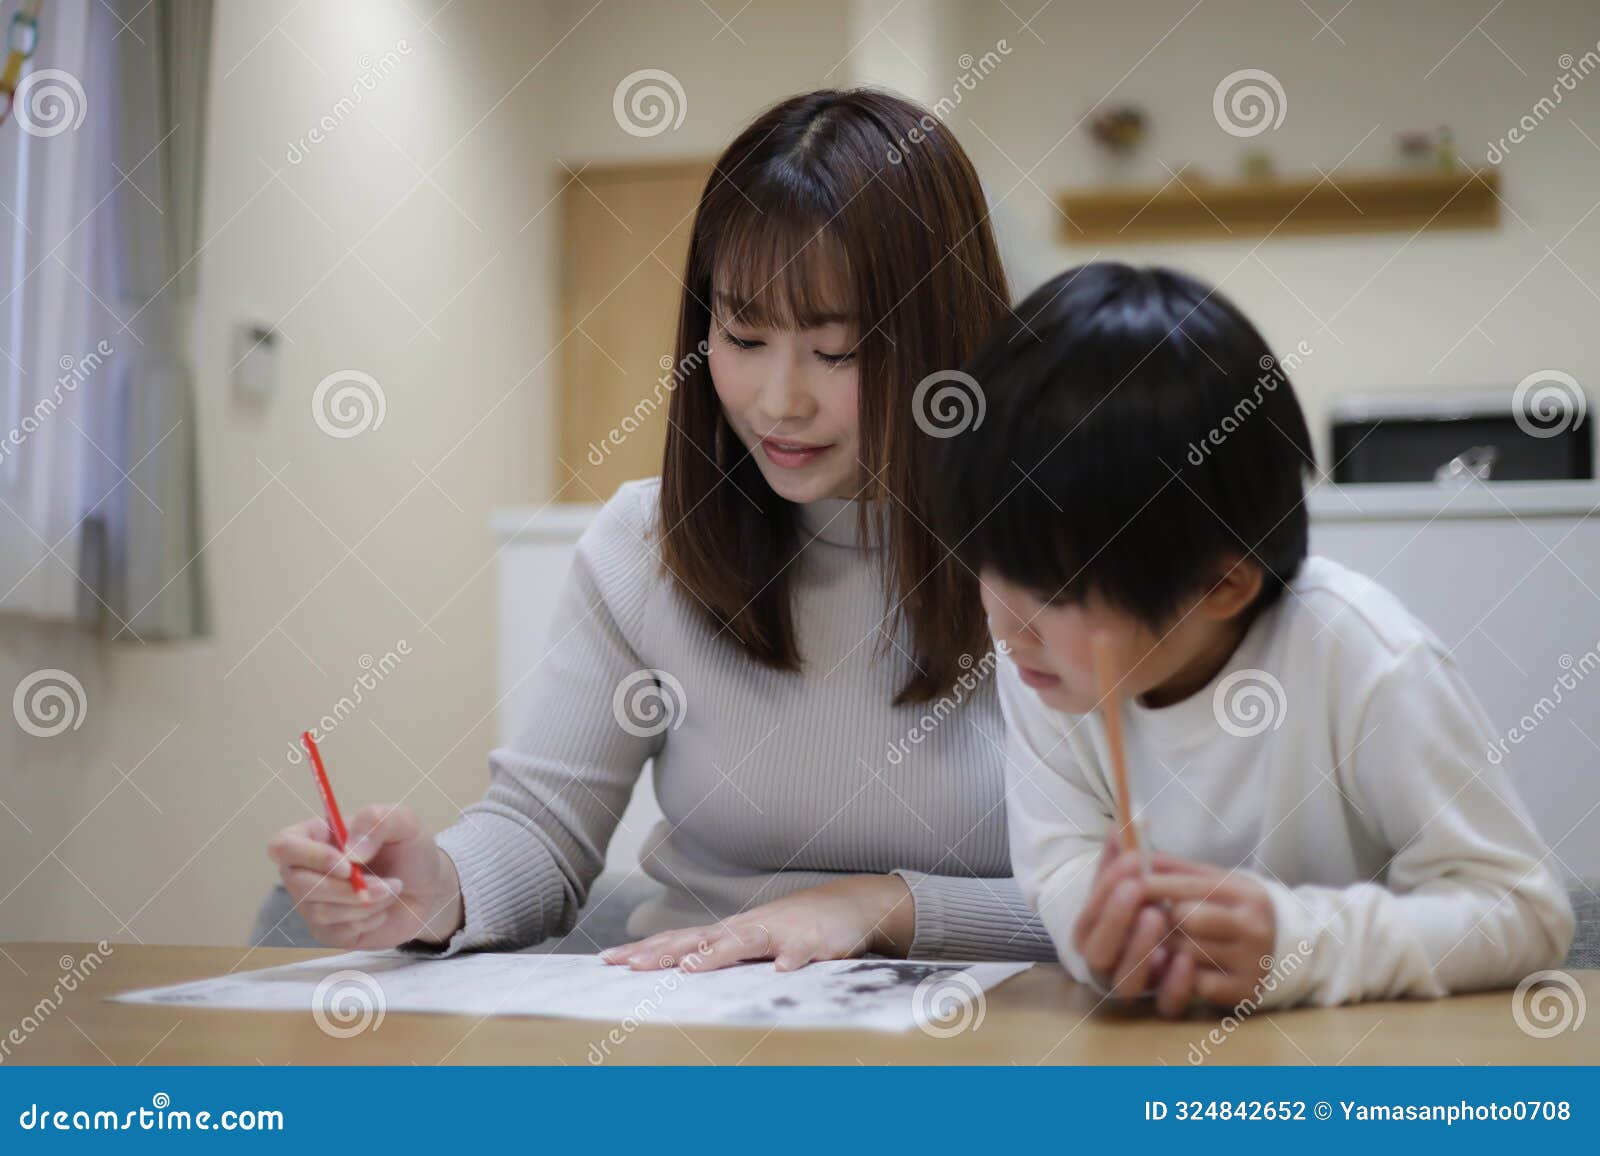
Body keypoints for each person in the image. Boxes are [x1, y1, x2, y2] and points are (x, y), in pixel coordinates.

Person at [266, 89, 1056, 970]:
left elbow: (1176, 907)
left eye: (837, 351)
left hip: (987, 1051)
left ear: (941, 333)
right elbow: (540, 834)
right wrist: (437, 891)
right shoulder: (647, 545)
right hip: (698, 1033)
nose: (778, 401)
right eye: (744, 336)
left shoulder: (1064, 542)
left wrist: (887, 907)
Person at [926, 261, 1574, 1013]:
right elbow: (1062, 865)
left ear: (1221, 584)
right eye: (986, 562)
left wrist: (1297, 943)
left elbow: (1524, 910)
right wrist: (1104, 936)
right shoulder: (1051, 665)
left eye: (1057, 590)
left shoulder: (1364, 661)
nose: (1005, 625)